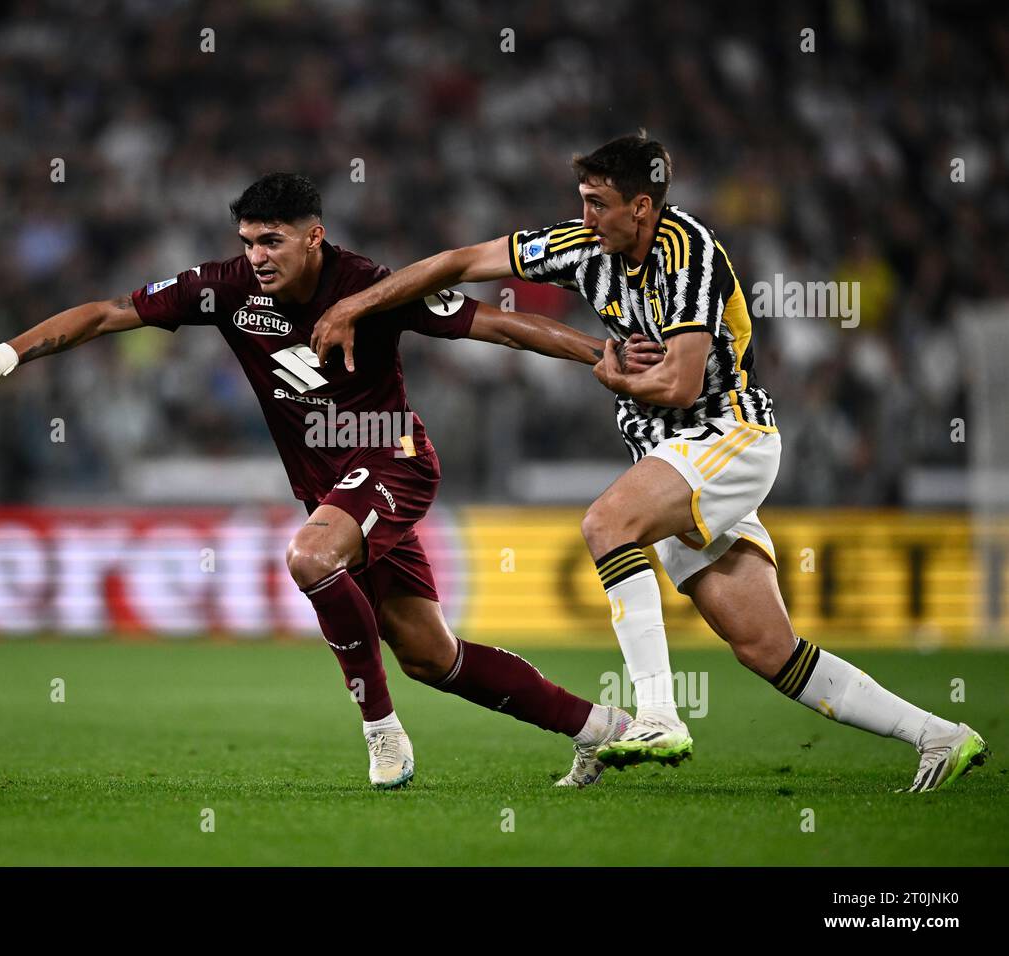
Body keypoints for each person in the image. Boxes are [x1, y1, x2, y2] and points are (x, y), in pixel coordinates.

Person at [0, 172, 665, 789]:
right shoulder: (222, 289)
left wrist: (597, 352)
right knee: (428, 655)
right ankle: (599, 727)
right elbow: (107, 312)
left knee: (309, 558)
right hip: (331, 490)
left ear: (314, 236)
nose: (254, 255)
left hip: (392, 460)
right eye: (247, 241)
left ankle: (381, 733)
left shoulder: (372, 287)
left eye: (271, 240)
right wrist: (3, 355)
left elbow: (493, 325)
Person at [310, 136, 988, 793]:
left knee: (607, 523)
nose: (585, 217)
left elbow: (681, 386)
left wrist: (614, 375)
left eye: (598, 203)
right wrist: (357, 303)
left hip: (728, 434)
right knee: (766, 649)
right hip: (674, 458)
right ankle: (937, 733)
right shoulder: (582, 247)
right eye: (582, 200)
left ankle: (659, 715)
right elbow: (460, 262)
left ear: (642, 207)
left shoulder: (688, 252)